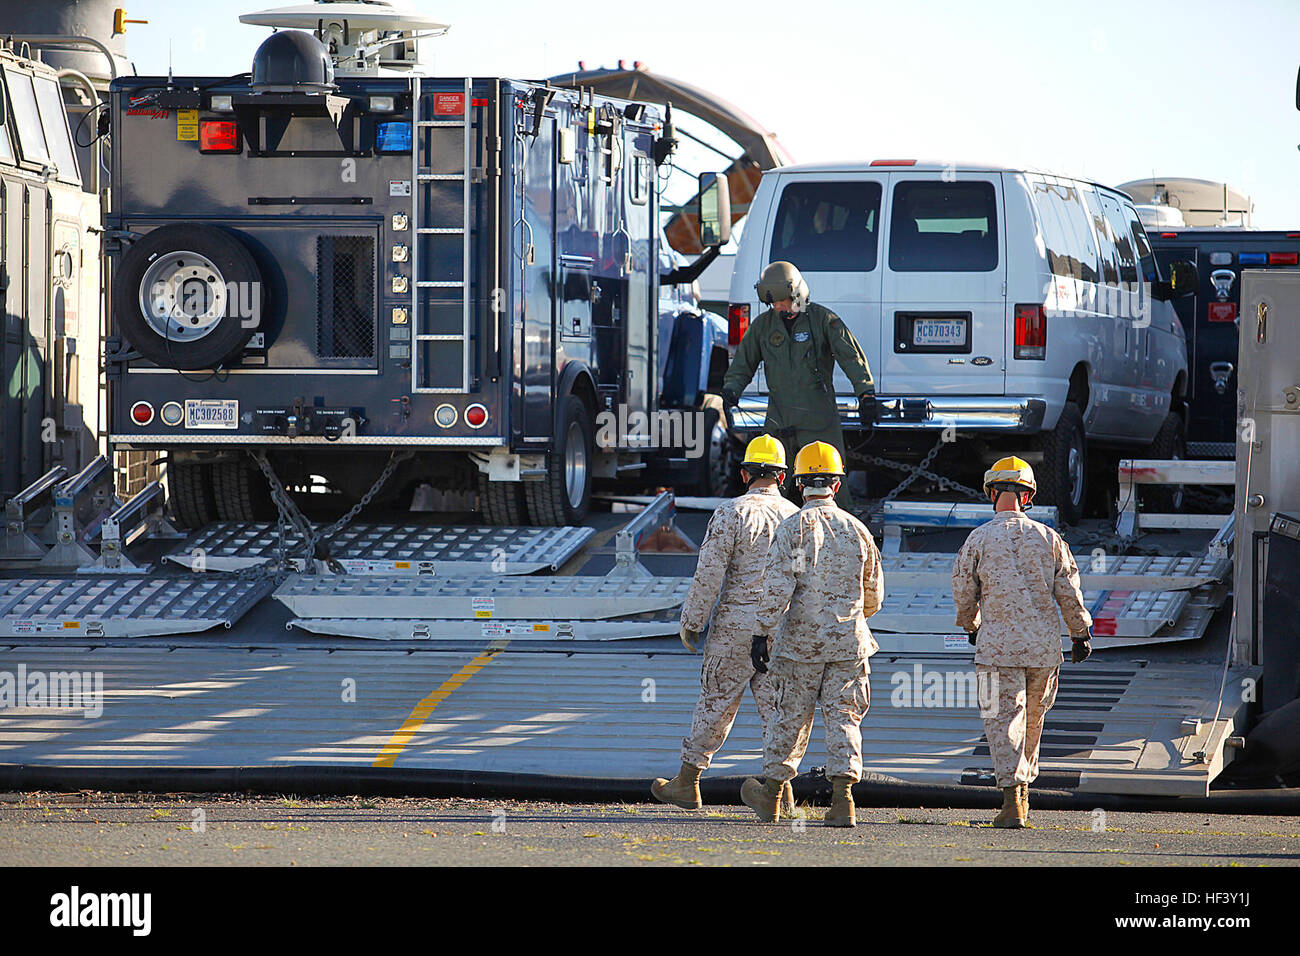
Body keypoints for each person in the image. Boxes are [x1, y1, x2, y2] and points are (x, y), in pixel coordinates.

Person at [651, 435, 801, 814]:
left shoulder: (731, 513)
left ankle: (688, 783)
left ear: (744, 473)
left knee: (715, 702)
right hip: (780, 630)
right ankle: (780, 795)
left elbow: (709, 575)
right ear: (782, 477)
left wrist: (692, 621)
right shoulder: (797, 518)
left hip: (735, 628)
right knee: (779, 712)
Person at [739, 441, 884, 827]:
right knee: (844, 719)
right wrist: (850, 618)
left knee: (789, 717)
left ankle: (771, 796)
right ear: (836, 486)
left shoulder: (792, 530)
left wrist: (760, 634)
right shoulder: (858, 531)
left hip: (800, 647)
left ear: (799, 484)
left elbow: (778, 589)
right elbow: (874, 596)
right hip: (849, 646)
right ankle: (843, 803)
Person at [951, 456, 1094, 829]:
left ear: (992, 492)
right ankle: (1024, 796)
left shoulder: (978, 538)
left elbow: (964, 591)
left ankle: (1012, 800)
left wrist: (970, 626)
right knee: (1033, 721)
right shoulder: (1050, 538)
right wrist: (1080, 634)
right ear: (1028, 495)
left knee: (1003, 723)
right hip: (1043, 650)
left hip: (997, 649)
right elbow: (1069, 591)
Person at [720, 261, 875, 508]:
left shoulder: (823, 320)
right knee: (770, 483)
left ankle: (843, 533)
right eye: (773, 303)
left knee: (830, 483)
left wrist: (866, 394)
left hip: (818, 422)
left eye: (782, 301)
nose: (778, 307)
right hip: (778, 420)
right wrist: (731, 389)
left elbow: (851, 357)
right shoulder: (763, 326)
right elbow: (743, 363)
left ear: (797, 294)